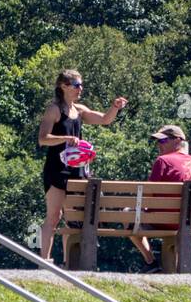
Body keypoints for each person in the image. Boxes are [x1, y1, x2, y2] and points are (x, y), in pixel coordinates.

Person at [38, 69, 126, 262]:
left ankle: (68, 261)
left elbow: (104, 119)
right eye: (77, 85)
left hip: (77, 170)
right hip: (56, 170)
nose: (81, 89)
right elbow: (43, 139)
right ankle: (44, 262)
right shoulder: (54, 109)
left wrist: (115, 107)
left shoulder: (79, 110)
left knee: (74, 217)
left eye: (81, 85)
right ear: (64, 87)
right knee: (53, 217)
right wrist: (66, 138)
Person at [130, 124, 191, 273]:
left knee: (127, 214)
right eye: (158, 141)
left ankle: (150, 262)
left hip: (163, 222)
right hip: (190, 222)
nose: (159, 145)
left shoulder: (162, 161)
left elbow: (148, 195)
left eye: (163, 141)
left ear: (177, 140)